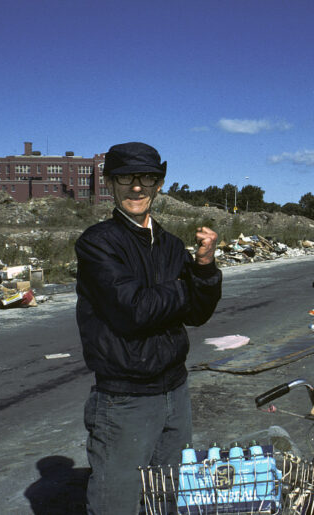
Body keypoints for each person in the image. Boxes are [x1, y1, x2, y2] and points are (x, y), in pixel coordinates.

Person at [75, 142, 222, 514]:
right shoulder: (97, 243)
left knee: (168, 500)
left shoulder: (171, 245)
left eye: (148, 178)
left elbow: (198, 314)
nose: (137, 187)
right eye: (126, 177)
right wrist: (182, 289)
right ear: (111, 182)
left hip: (176, 390)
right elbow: (132, 311)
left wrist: (203, 269)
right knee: (117, 504)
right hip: (125, 398)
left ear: (159, 184)